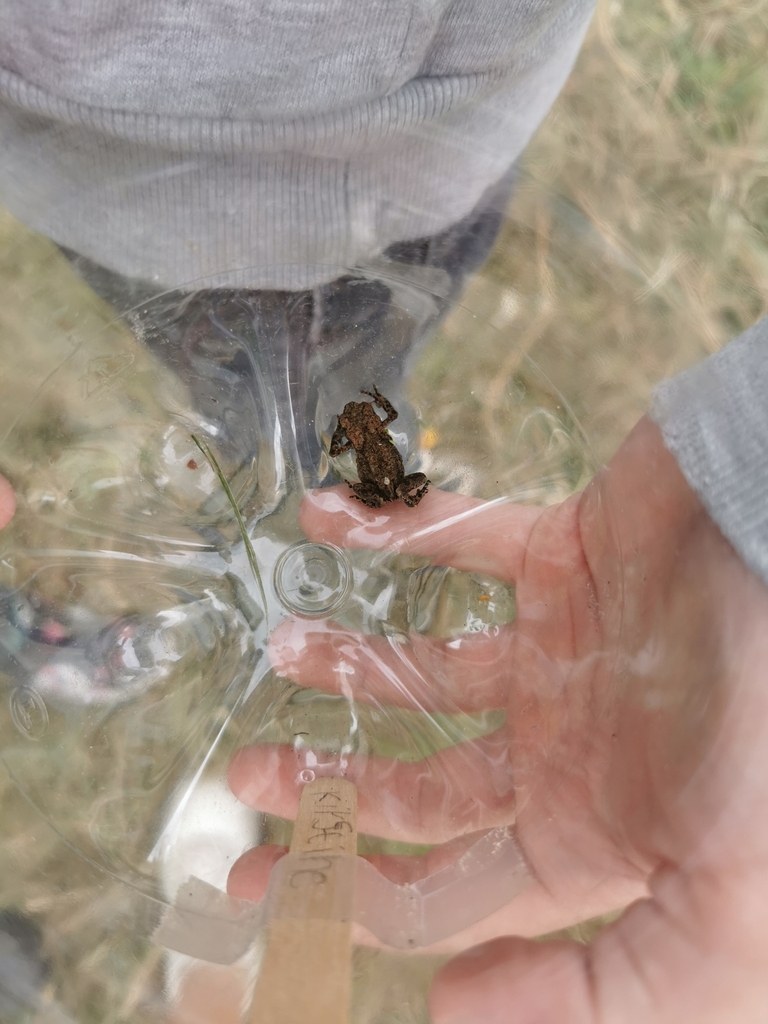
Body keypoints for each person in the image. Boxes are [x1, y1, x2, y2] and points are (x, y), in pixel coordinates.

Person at [1, 2, 767, 1022]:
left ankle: (359, 471)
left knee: (360, 390)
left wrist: (742, 494)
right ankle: (264, 473)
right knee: (237, 391)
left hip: (419, 165)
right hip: (102, 188)